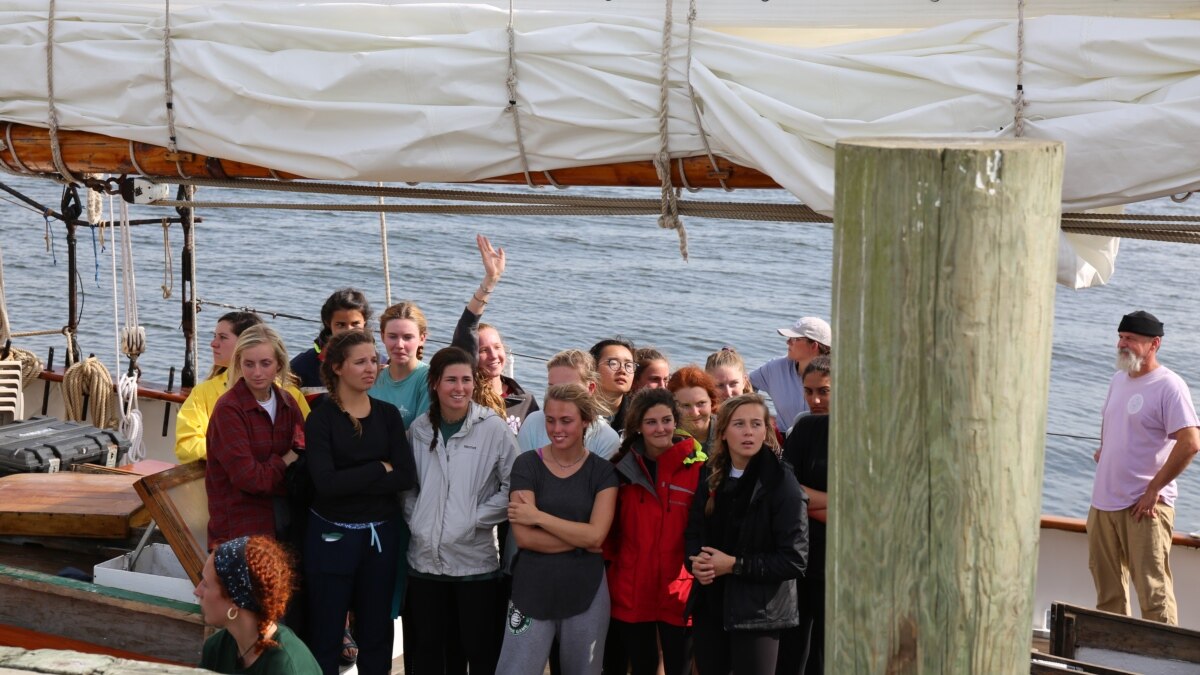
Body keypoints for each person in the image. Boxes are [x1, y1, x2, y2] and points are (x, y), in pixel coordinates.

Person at [304, 331, 418, 675]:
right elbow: (325, 485)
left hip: (379, 540)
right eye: (361, 361)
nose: (372, 368)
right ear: (337, 367)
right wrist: (375, 468)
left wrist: (351, 478)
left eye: (374, 359)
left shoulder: (387, 416)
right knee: (325, 635)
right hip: (331, 539)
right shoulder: (321, 418)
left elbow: (405, 477)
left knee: (376, 635)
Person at [404, 346, 518, 674]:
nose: (459, 388)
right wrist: (420, 521)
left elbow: (515, 487)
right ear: (435, 384)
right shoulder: (419, 429)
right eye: (451, 380)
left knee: (479, 652)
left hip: (475, 565)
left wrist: (474, 519)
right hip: (424, 563)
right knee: (428, 652)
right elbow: (406, 488)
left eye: (466, 380)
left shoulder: (493, 429)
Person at [497, 383, 618, 675]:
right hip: (531, 587)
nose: (556, 428)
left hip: (586, 589)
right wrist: (582, 539)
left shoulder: (603, 472)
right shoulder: (527, 464)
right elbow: (525, 538)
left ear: (585, 421)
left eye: (566, 420)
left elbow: (597, 536)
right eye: (550, 420)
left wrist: (538, 516)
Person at [1089, 310, 1200, 626]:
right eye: (1121, 337)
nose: (1123, 344)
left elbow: (1191, 442)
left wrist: (1153, 490)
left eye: (1132, 340)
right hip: (1103, 504)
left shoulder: (1169, 386)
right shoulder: (1117, 380)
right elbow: (1112, 423)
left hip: (1145, 507)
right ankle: (1112, 662)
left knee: (1154, 599)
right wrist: (1105, 449)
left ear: (1154, 344)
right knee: (1108, 598)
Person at [685, 394, 808, 675]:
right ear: (724, 431)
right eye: (739, 424)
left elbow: (795, 559)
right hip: (711, 604)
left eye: (756, 424)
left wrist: (734, 565)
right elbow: (693, 533)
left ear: (766, 430)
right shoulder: (711, 473)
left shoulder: (782, 482)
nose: (749, 431)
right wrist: (695, 563)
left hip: (759, 615)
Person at [604, 388, 706, 675]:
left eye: (667, 420)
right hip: (631, 590)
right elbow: (609, 533)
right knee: (641, 668)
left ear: (676, 422)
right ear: (638, 426)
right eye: (651, 422)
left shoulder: (699, 468)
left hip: (679, 591)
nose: (660, 428)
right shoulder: (621, 470)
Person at [371, 234, 503, 427]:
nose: (399, 344)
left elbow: (466, 330)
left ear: (422, 338)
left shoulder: (431, 379)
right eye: (392, 336)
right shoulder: (374, 377)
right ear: (382, 336)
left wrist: (489, 282)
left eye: (408, 337)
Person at [206, 325, 305, 547]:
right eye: (248, 364)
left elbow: (303, 450)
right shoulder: (228, 409)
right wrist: (286, 459)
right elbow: (251, 479)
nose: (257, 372)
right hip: (240, 528)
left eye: (265, 363)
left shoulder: (288, 403)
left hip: (284, 521)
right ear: (239, 364)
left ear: (279, 364)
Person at [176, 312, 311, 464]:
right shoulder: (203, 393)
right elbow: (186, 445)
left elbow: (309, 440)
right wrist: (239, 453)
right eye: (215, 336)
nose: (213, 343)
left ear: (245, 342)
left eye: (223, 337)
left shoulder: (289, 396)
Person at [196, 535, 321, 674]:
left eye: (206, 584)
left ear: (234, 599)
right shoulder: (216, 648)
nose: (197, 591)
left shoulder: (286, 666)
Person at [778, 356, 830, 675]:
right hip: (802, 556)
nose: (815, 400)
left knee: (826, 652)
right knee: (792, 650)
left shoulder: (868, 432)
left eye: (824, 391)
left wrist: (812, 500)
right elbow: (788, 492)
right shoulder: (805, 425)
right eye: (808, 391)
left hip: (842, 563)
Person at [518, 349, 620, 460]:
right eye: (552, 387)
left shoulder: (606, 438)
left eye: (568, 388)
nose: (558, 395)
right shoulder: (533, 422)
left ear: (590, 388)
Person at [749, 317, 831, 433]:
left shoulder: (837, 375)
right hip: (784, 443)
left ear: (814, 346)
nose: (788, 342)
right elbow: (745, 384)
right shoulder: (774, 368)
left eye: (795, 339)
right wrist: (756, 416)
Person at [290, 288, 373, 390]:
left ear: (364, 322)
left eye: (355, 324)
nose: (348, 331)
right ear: (328, 323)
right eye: (341, 325)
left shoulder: (378, 367)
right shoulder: (304, 366)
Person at [478, 322, 539, 433]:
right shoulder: (465, 400)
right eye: (483, 350)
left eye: (497, 347)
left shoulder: (526, 401)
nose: (493, 355)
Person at [589, 337, 637, 433]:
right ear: (592, 368)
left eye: (628, 365)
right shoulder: (574, 409)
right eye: (613, 363)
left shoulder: (638, 417)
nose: (622, 370)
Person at [668, 366, 721, 451]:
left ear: (712, 401)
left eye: (701, 403)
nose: (695, 413)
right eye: (686, 405)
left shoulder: (727, 432)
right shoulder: (665, 436)